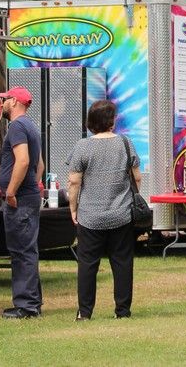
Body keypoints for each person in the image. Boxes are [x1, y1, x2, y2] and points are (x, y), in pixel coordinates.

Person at [67, 99, 140, 320]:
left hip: (90, 216)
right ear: (111, 121)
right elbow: (136, 176)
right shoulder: (126, 143)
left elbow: (74, 182)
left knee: (87, 264)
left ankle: (85, 312)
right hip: (121, 213)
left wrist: (73, 208)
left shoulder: (82, 146)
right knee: (122, 262)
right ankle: (123, 311)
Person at [0, 87, 45, 318]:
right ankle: (32, 302)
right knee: (28, 250)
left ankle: (26, 306)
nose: (2, 103)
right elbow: (40, 165)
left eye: (5, 99)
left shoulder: (17, 126)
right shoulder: (31, 126)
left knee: (21, 251)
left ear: (15, 102)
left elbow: (24, 161)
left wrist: (11, 192)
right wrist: (33, 187)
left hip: (20, 200)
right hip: (29, 196)